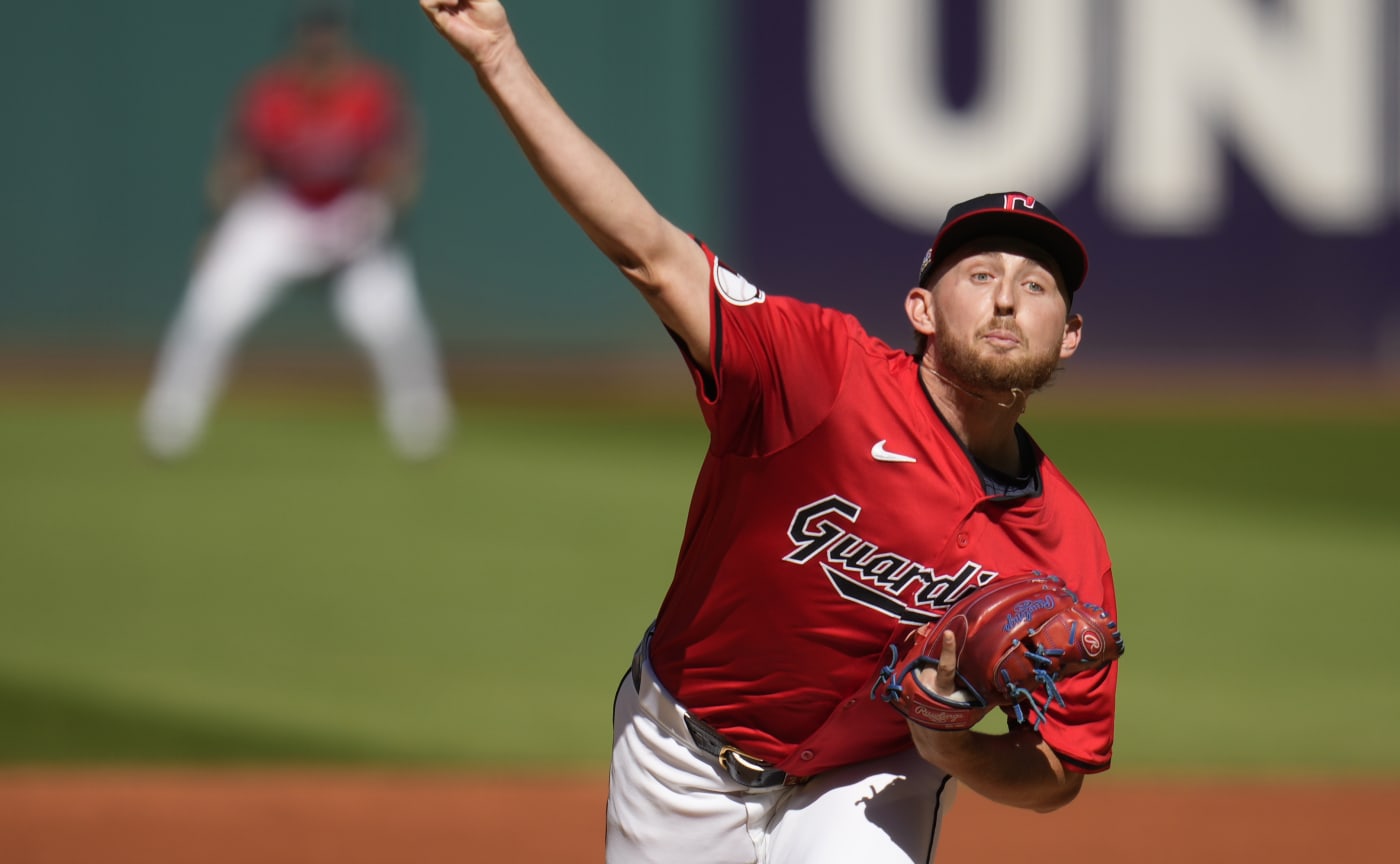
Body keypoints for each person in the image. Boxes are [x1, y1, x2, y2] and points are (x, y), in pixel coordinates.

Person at [421, 2, 1120, 862]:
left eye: (1038, 285)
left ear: (1071, 335)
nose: (1008, 296)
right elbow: (651, 253)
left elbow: (1061, 767)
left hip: (874, 777)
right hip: (680, 755)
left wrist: (950, 745)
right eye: (979, 274)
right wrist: (498, 56)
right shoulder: (820, 376)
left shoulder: (1069, 545)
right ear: (922, 310)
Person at [141, 3, 452, 461]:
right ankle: (168, 425)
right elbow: (237, 166)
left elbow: (400, 169)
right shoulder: (271, 94)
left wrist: (377, 211)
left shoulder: (371, 92)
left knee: (393, 322)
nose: (322, 45)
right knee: (210, 308)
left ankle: (422, 429)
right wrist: (216, 228)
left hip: (350, 210)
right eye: (314, 35)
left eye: (330, 35)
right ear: (301, 40)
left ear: (344, 40)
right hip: (280, 212)